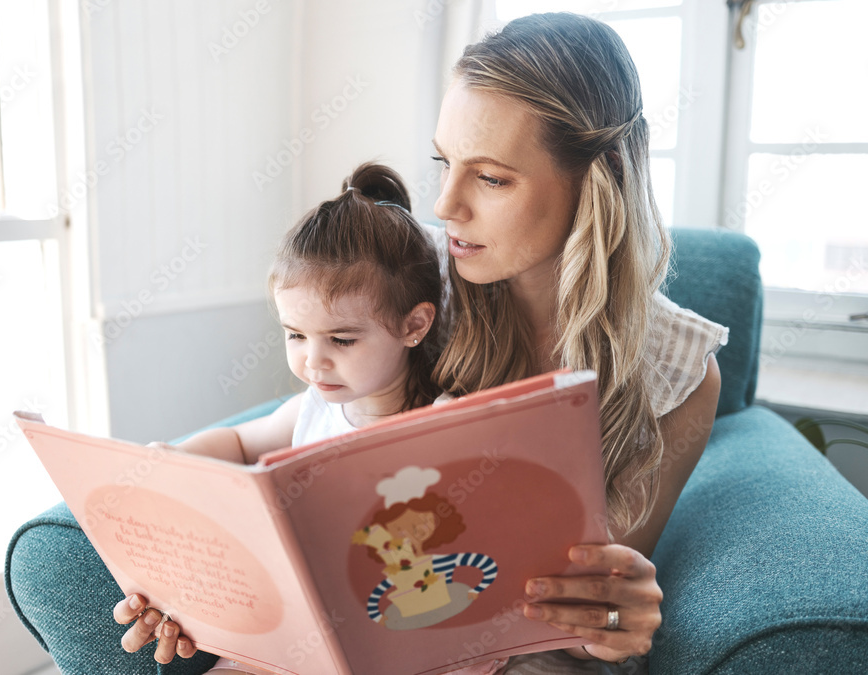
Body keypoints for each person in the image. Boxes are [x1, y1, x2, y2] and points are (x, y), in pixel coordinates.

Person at [116, 12, 727, 674]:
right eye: (444, 163)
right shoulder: (413, 277)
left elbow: (589, 610)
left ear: (597, 178)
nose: (445, 204)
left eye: (491, 178)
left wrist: (615, 617)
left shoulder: (676, 372)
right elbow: (312, 420)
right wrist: (188, 578)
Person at [115, 161, 447, 670]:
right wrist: (172, 460)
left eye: (341, 339)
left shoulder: (443, 423)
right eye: (295, 334)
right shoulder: (311, 411)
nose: (313, 361)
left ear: (414, 325)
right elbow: (237, 443)